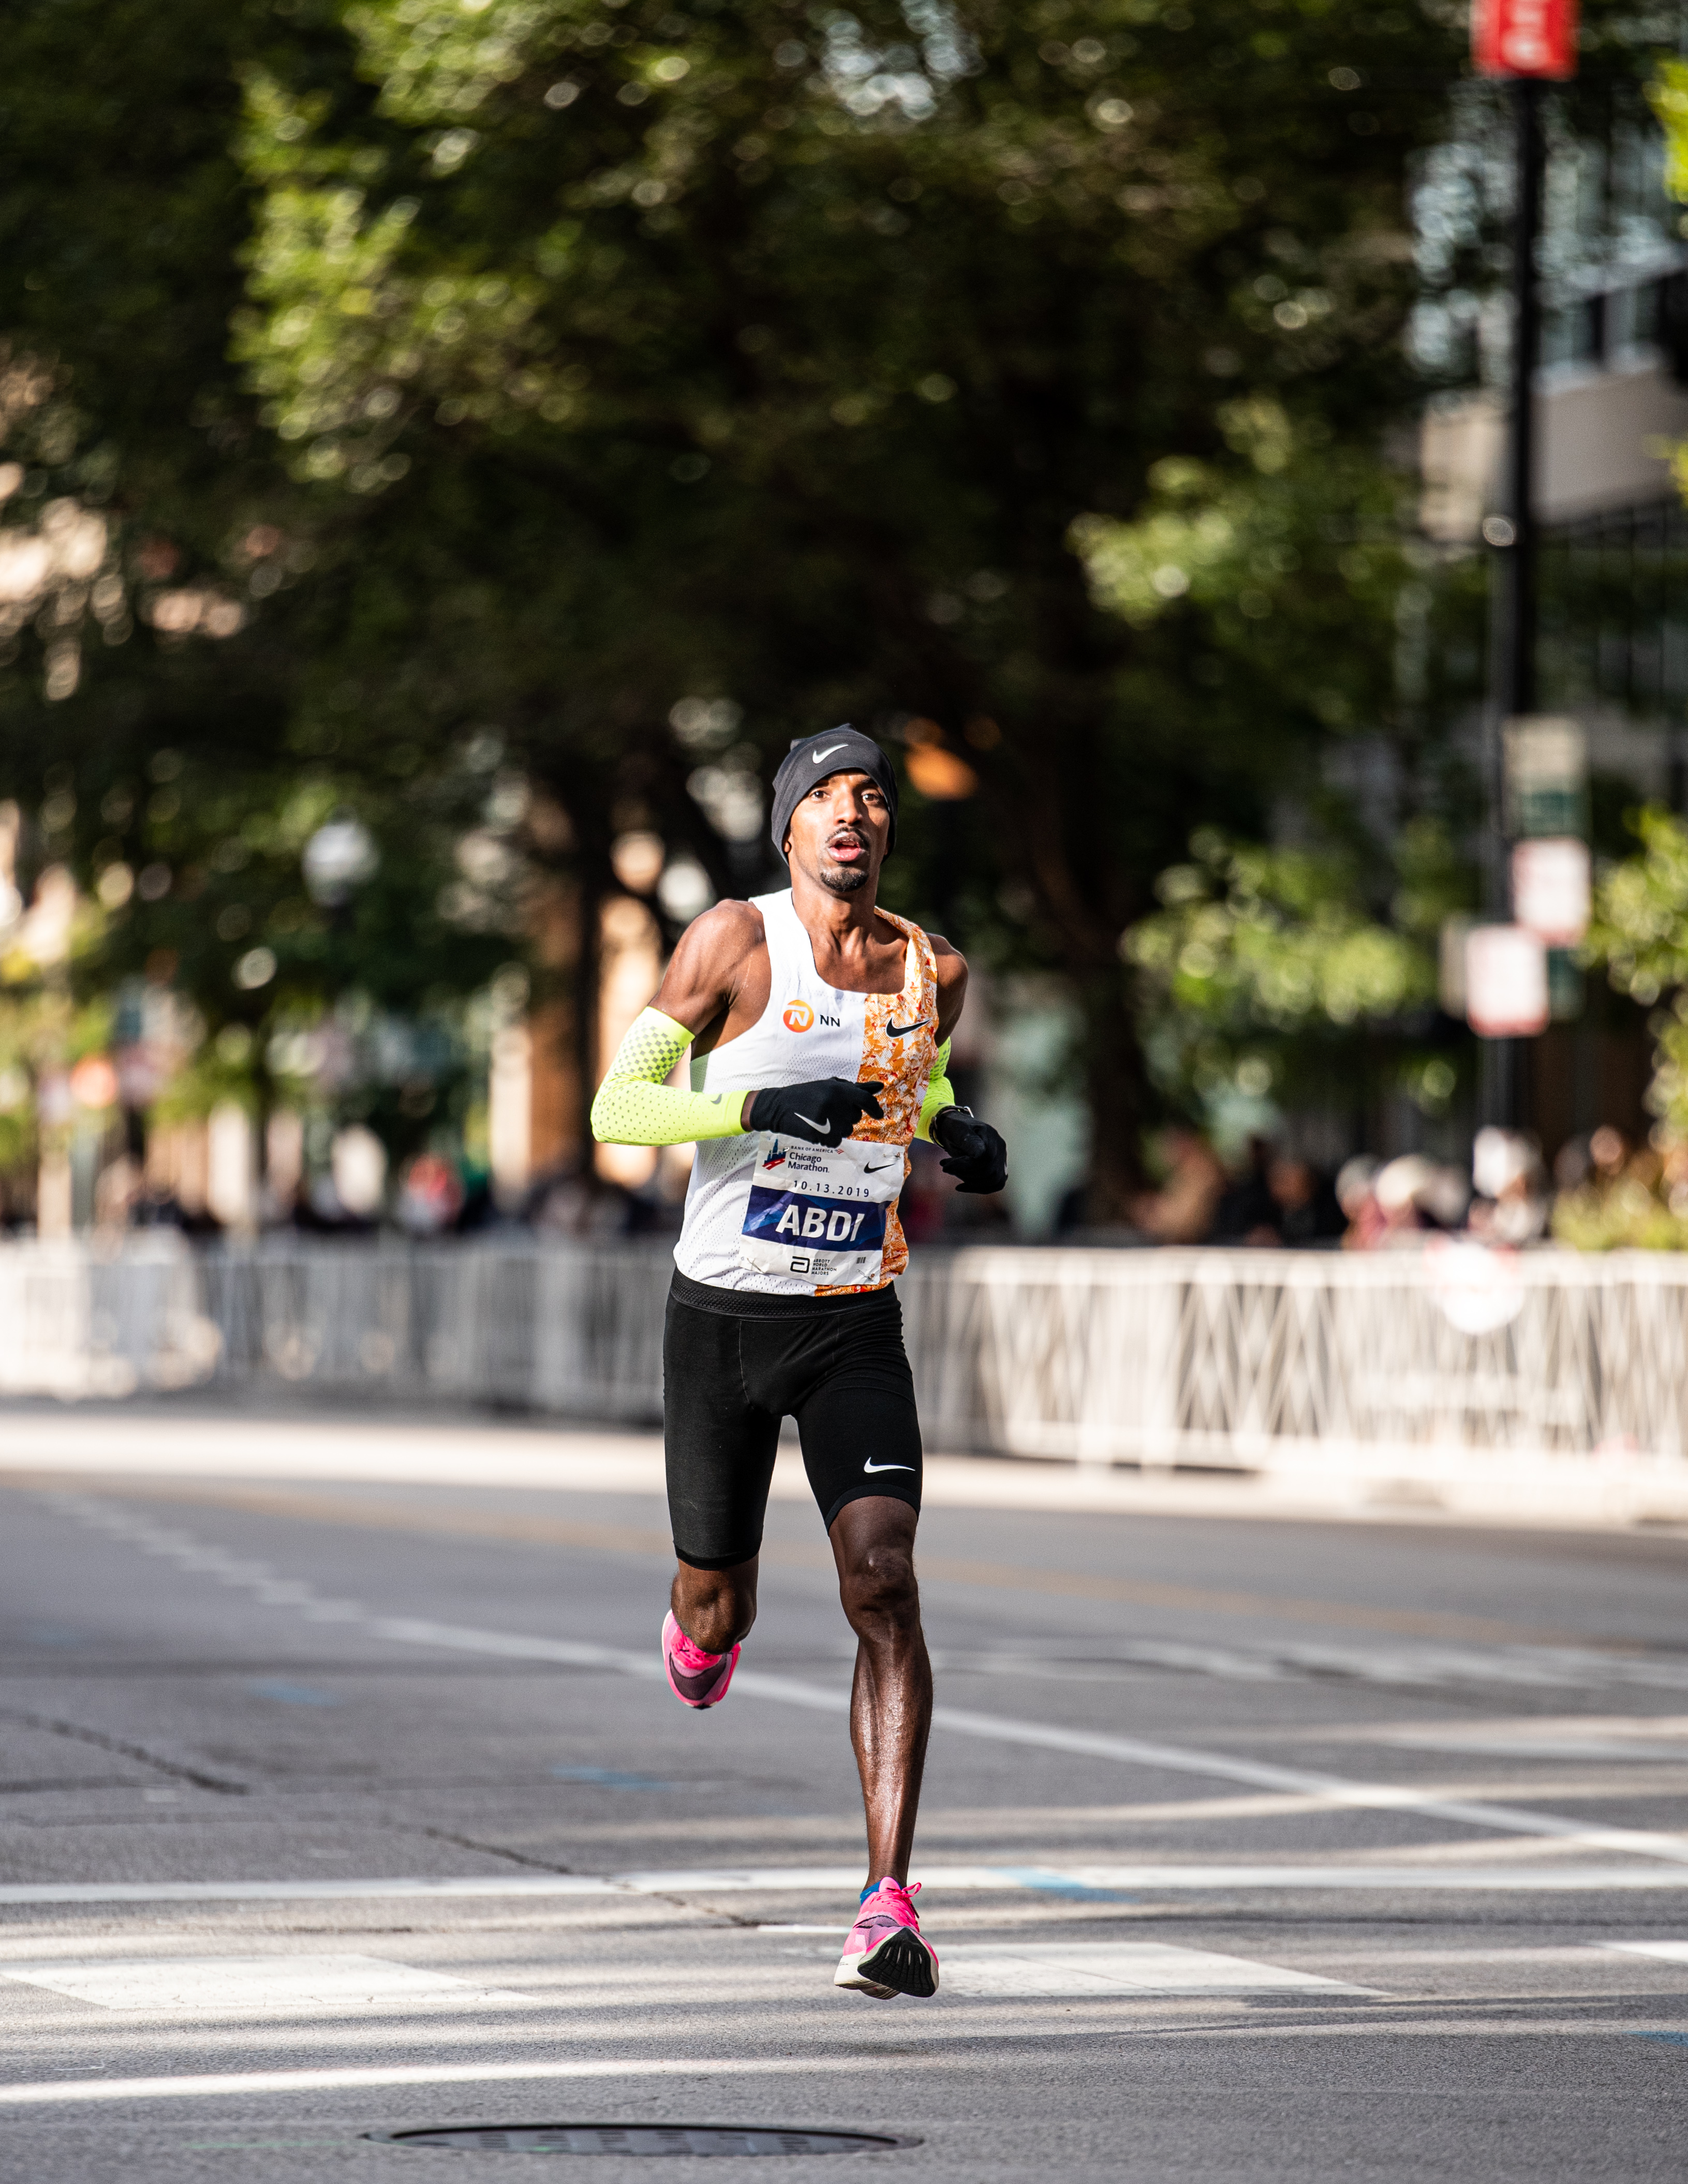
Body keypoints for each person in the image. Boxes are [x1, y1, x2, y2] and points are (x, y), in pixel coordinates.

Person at [590, 726, 1007, 2002]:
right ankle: (698, 1627)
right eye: (826, 796)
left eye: (872, 796)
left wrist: (960, 1130)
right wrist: (750, 1106)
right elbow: (620, 1106)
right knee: (720, 1605)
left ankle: (887, 1900)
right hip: (719, 1318)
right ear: (788, 828)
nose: (853, 813)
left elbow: (909, 1081)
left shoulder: (931, 965)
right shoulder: (729, 940)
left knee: (884, 1580)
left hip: (850, 1318)